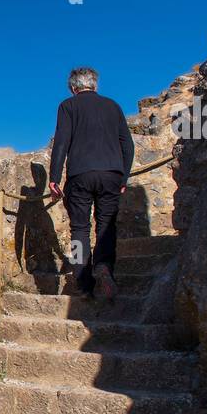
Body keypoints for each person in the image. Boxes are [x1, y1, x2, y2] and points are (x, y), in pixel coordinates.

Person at [47, 67, 134, 301]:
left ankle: (83, 281)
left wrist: (54, 177)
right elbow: (128, 145)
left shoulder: (68, 106)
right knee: (107, 225)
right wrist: (123, 177)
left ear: (73, 88)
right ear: (95, 85)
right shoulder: (113, 106)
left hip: (80, 175)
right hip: (111, 174)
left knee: (79, 229)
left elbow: (62, 143)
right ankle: (104, 267)